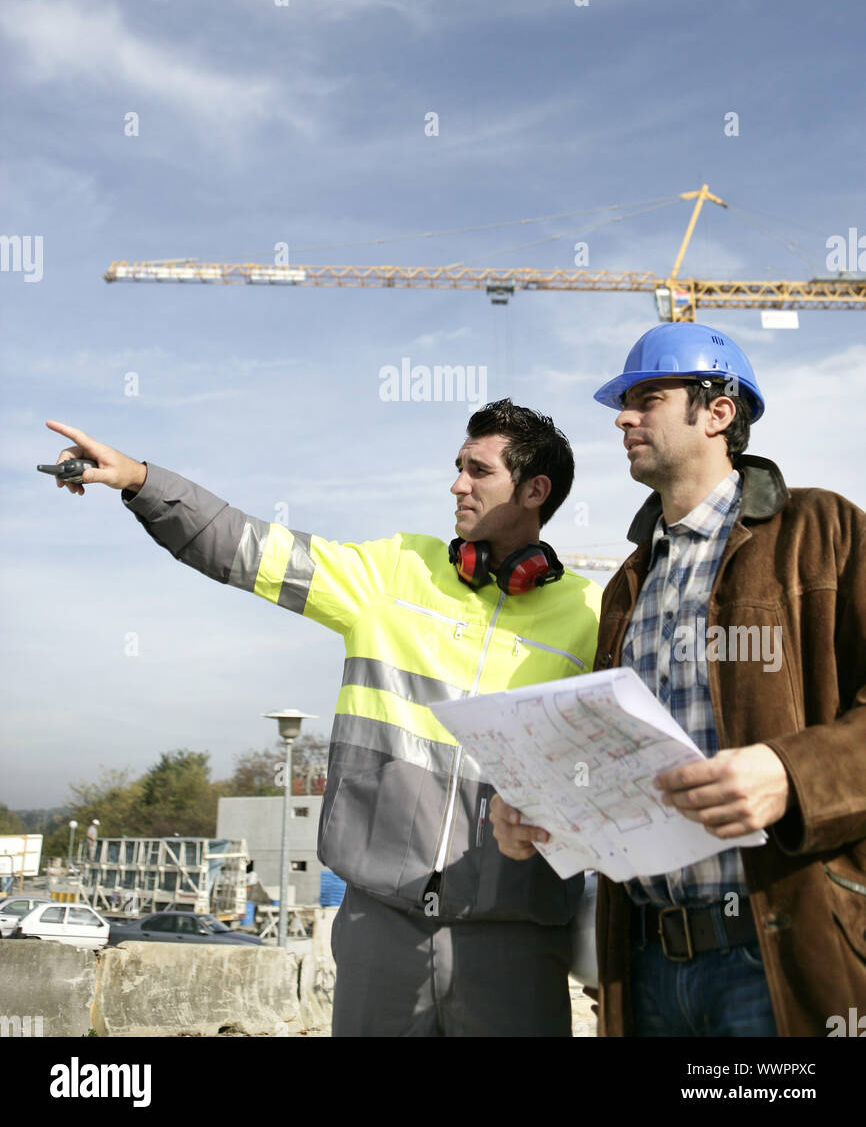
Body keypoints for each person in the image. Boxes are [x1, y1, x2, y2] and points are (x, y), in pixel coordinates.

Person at [45, 399, 601, 1037]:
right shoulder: (394, 571)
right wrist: (141, 480)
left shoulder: (593, 613)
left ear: (535, 490)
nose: (456, 484)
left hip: (520, 940)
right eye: (457, 466)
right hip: (378, 931)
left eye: (477, 470)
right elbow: (248, 548)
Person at [491, 323, 866, 1037]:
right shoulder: (628, 585)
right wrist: (542, 811)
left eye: (648, 398)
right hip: (646, 963)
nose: (623, 418)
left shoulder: (822, 532)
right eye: (622, 404)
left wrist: (792, 775)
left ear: (719, 413)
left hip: (781, 952)